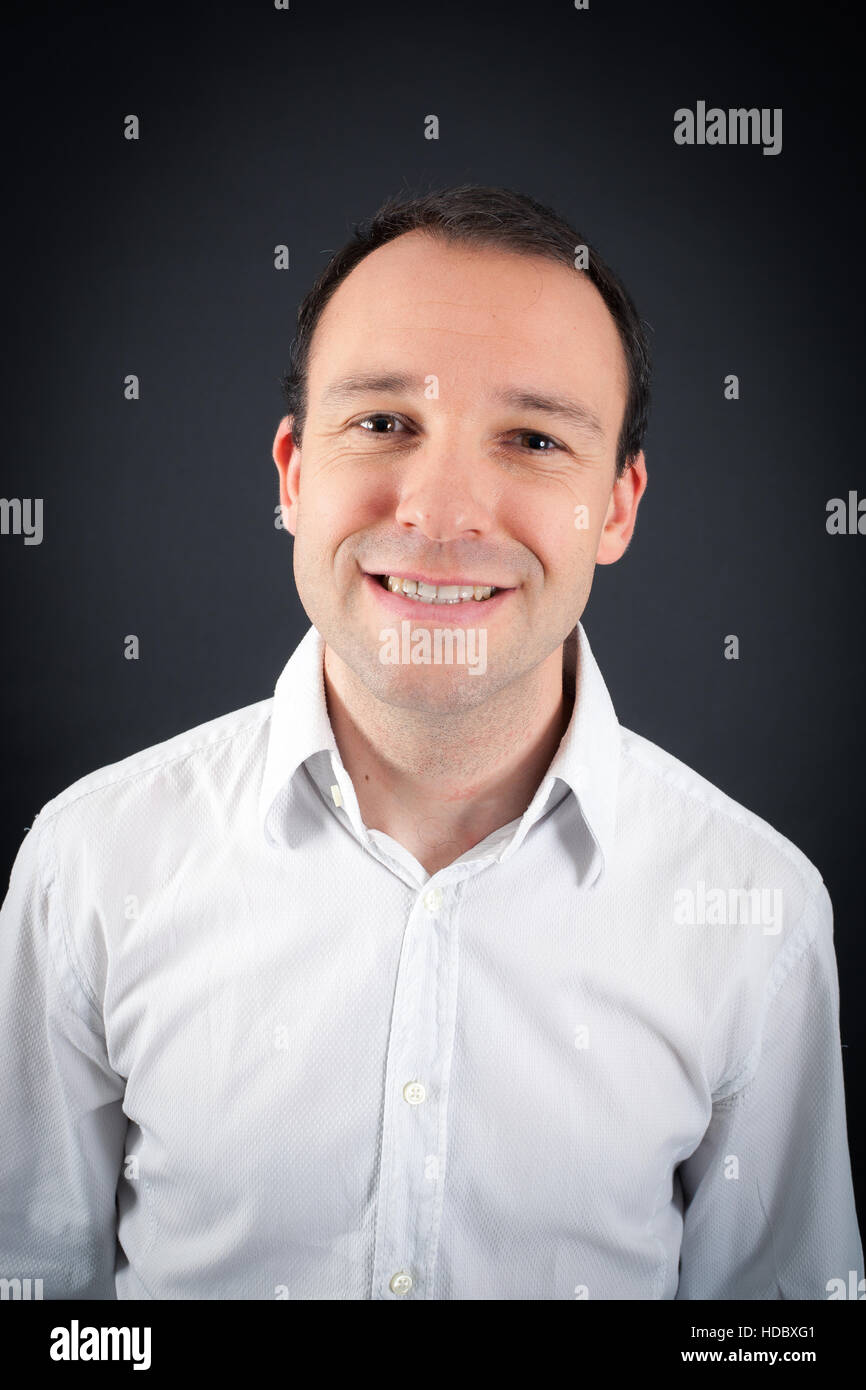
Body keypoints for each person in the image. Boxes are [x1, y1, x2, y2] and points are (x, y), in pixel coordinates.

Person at [0, 185, 861, 1300]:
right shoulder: (87, 867)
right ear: (293, 476)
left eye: (533, 438)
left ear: (615, 505)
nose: (443, 511)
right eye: (383, 422)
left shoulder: (759, 915)